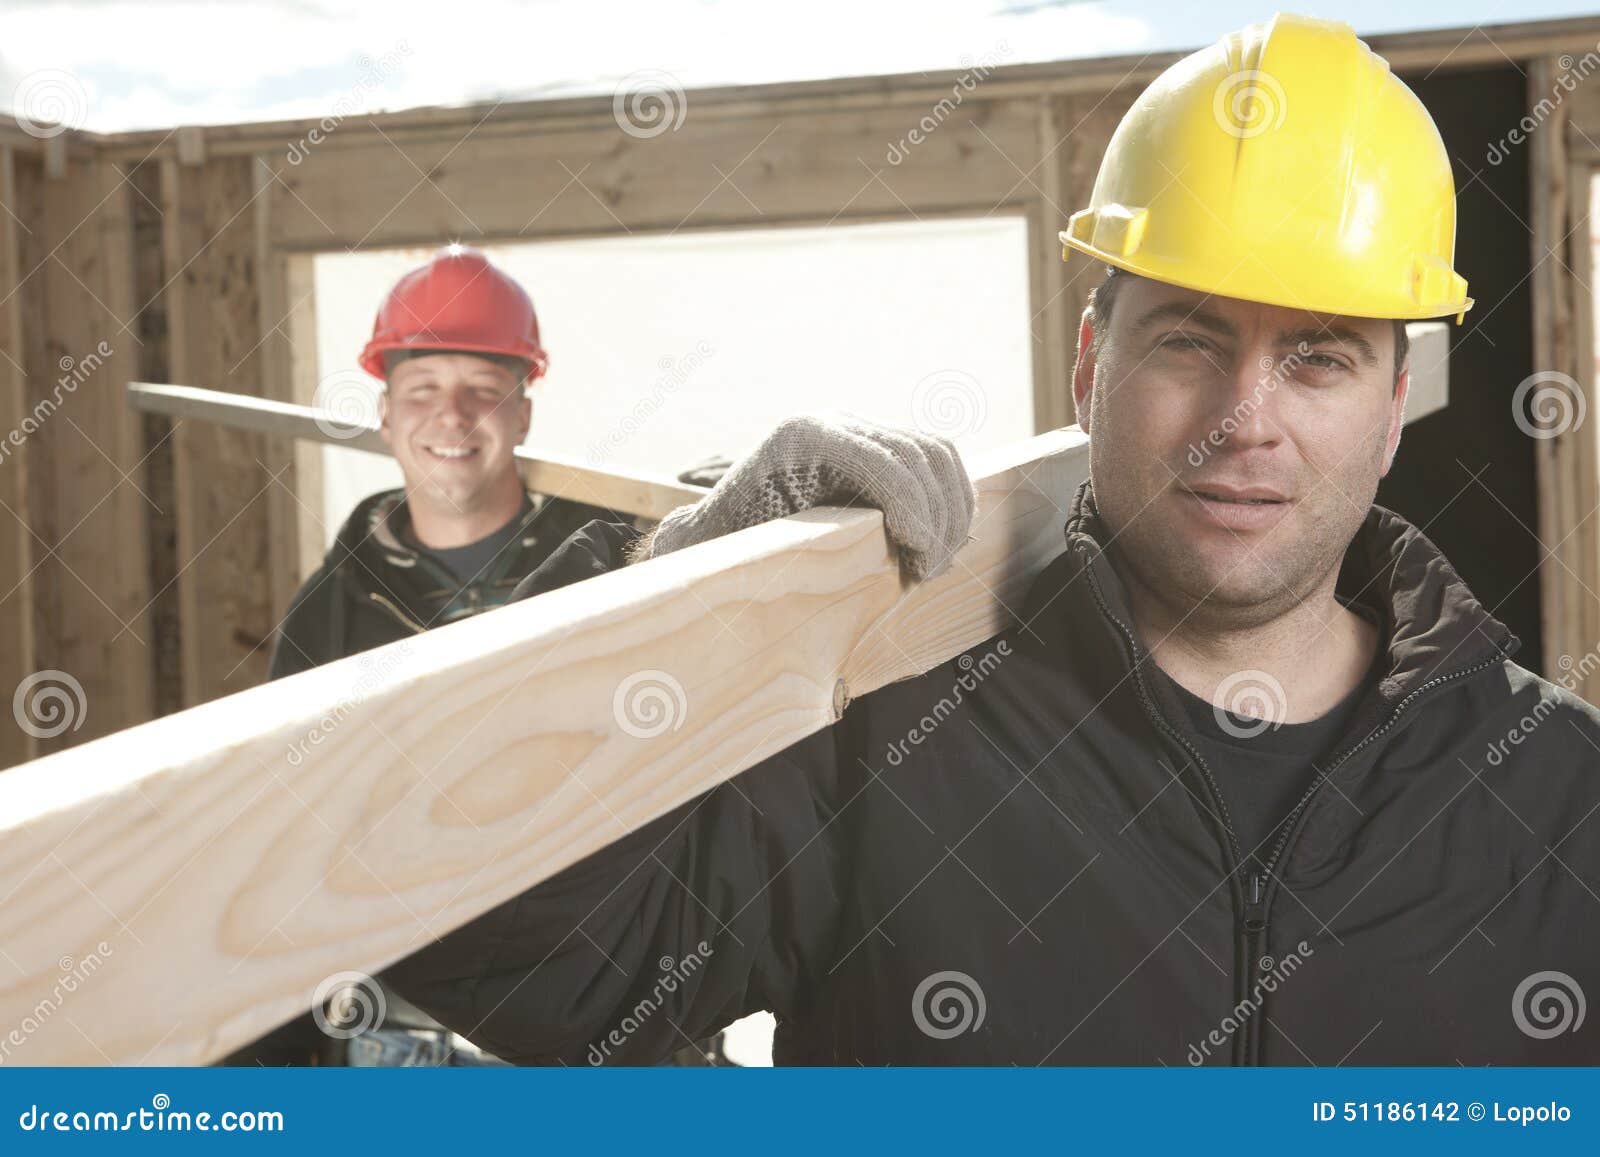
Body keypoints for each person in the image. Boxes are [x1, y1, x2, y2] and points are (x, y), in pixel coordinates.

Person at [383, 15, 1599, 1064]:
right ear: (1087, 367)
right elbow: (486, 947)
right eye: (1186, 337)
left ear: (1393, 412)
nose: (1244, 419)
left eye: (1318, 357)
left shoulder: (1559, 796)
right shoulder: (883, 729)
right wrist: (683, 605)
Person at [228, 245, 624, 1066]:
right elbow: (286, 838)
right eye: (423, 390)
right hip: (399, 1038)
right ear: (384, 413)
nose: (453, 416)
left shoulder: (617, 572)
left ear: (524, 413)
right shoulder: (331, 613)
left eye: (483, 389)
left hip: (593, 1021)